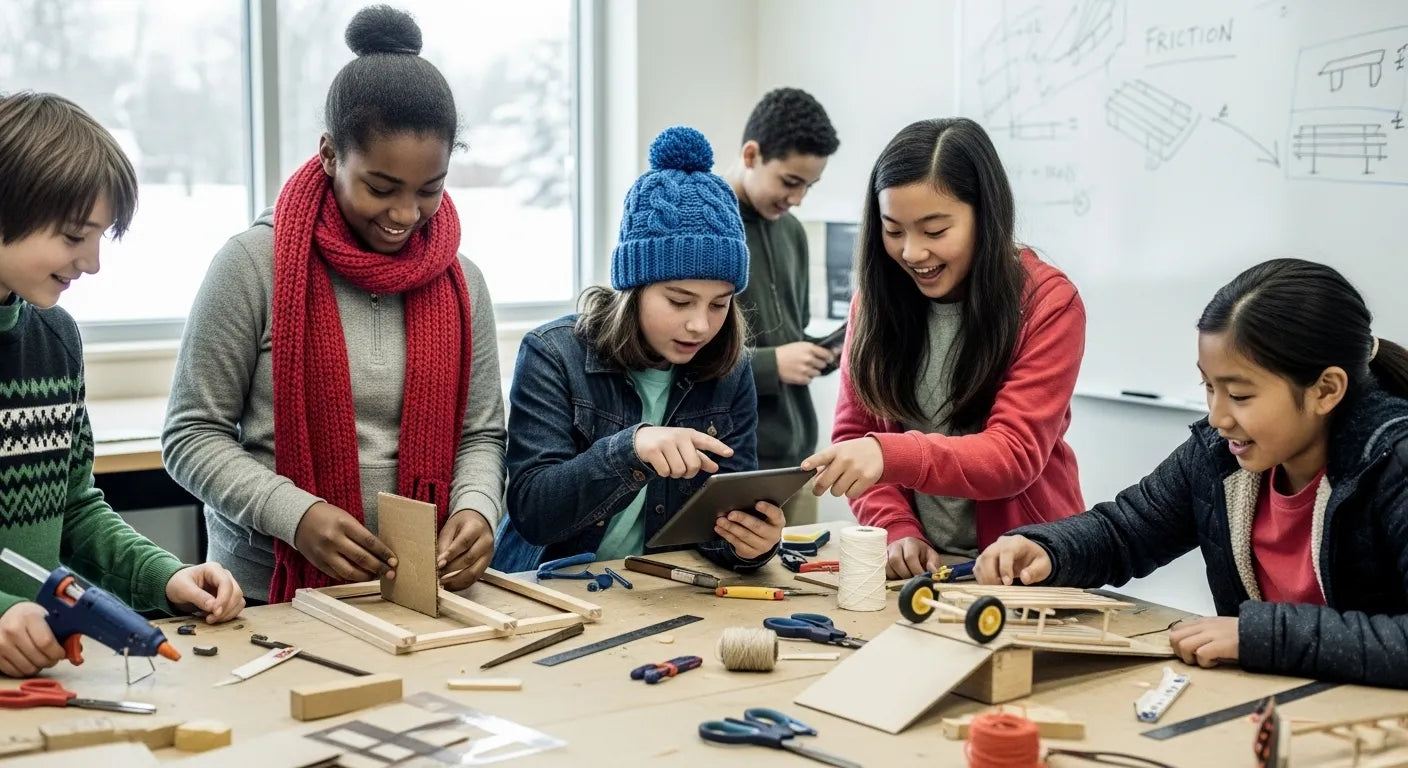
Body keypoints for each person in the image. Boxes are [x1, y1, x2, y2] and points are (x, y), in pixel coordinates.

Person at [163, 5, 505, 603]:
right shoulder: (251, 266)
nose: (405, 215)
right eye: (380, 187)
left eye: (430, 189)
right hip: (266, 599)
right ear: (328, 155)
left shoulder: (462, 282)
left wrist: (479, 507)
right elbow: (191, 435)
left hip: (420, 596)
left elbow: (482, 435)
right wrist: (296, 516)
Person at [975, 259, 1408, 688]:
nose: (1217, 417)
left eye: (1239, 394)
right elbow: (1125, 531)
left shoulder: (1394, 462)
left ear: (1326, 390)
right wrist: (1047, 550)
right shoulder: (1218, 455)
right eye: (1208, 386)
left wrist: (1257, 635)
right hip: (1272, 701)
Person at [0, 92, 244, 677]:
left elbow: (75, 510)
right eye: (72, 236)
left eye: (99, 237)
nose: (91, 263)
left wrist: (165, 575)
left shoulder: (54, 341)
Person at [803, 118, 1087, 578]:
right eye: (893, 230)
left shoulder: (1047, 303)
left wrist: (888, 455)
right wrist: (896, 527)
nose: (912, 252)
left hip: (1026, 567)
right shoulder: (874, 303)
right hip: (926, 571)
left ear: (985, 216)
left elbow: (1013, 455)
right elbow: (856, 435)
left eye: (934, 231)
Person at [491, 126, 782, 573]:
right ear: (633, 289)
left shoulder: (731, 370)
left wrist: (751, 545)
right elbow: (533, 513)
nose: (700, 324)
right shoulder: (553, 354)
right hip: (548, 589)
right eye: (679, 300)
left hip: (654, 592)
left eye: (719, 304)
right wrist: (629, 450)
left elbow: (721, 525)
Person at [724, 87, 840, 525]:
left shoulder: (792, 232)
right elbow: (681, 358)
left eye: (809, 186)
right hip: (736, 465)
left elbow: (788, 334)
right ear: (751, 155)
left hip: (799, 462)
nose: (797, 199)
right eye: (790, 182)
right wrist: (773, 364)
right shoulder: (708, 229)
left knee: (802, 590)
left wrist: (820, 355)